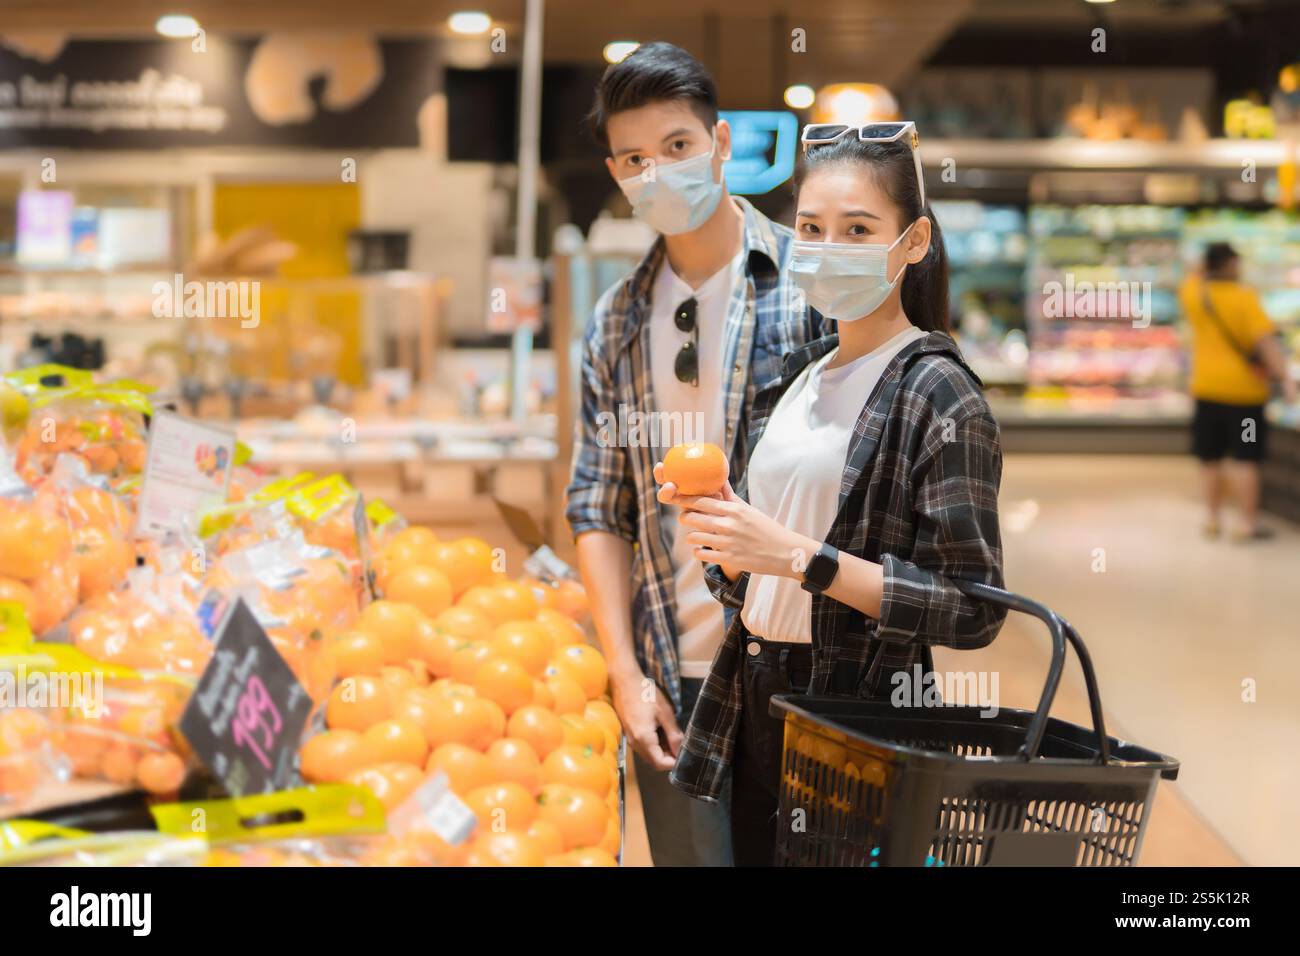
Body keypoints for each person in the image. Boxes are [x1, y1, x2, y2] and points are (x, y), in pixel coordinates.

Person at [658, 122, 1007, 866]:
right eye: (811, 228)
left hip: (859, 714)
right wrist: (723, 533)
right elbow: (750, 571)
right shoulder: (793, 379)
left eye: (858, 229)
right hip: (751, 695)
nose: (828, 246)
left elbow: (973, 609)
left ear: (912, 242)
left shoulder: (939, 394)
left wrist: (801, 557)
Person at [565, 41, 825, 866]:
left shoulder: (812, 283)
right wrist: (623, 671)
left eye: (677, 147)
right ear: (617, 172)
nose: (659, 172)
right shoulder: (614, 321)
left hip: (807, 665)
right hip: (674, 669)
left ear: (719, 145)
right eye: (636, 158)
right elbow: (598, 504)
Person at [1179, 242, 1297, 541]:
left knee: (1209, 458)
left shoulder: (1194, 293)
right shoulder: (1245, 298)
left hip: (1206, 391)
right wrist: (1285, 378)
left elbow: (1193, 274)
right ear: (1230, 265)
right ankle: (1246, 523)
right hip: (1244, 398)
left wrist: (1205, 267)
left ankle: (1212, 518)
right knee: (1245, 458)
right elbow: (1266, 343)